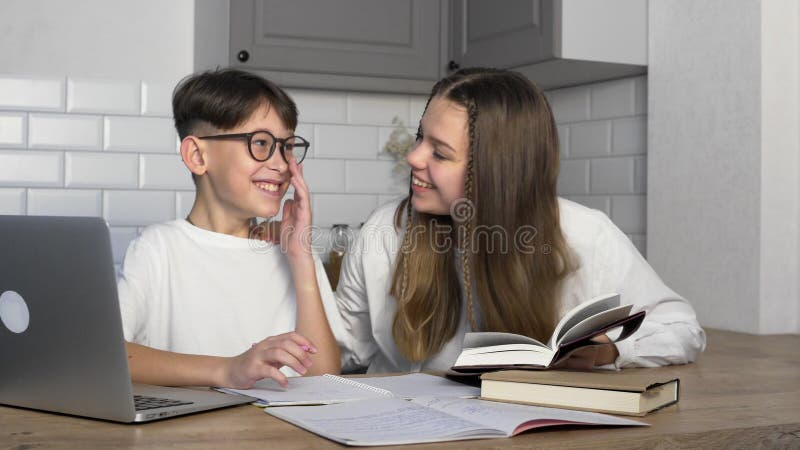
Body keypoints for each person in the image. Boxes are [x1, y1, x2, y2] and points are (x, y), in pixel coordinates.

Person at [334, 67, 706, 373]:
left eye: (440, 154)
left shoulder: (585, 234)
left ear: (497, 172)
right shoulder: (385, 231)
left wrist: (611, 350)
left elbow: (682, 328)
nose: (413, 158)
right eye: (420, 138)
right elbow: (344, 350)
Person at [117, 68, 341, 389]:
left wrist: (301, 258)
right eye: (261, 143)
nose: (281, 164)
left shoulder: (294, 250)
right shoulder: (159, 248)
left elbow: (326, 378)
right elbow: (112, 356)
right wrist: (229, 370)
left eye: (287, 147)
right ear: (197, 155)